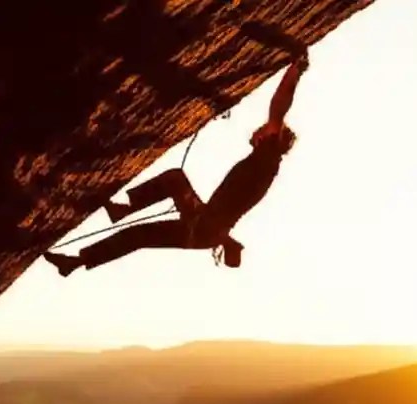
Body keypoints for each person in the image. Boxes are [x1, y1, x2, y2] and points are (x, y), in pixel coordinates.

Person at [43, 50, 309, 277]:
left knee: (139, 236)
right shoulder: (262, 165)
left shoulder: (266, 161)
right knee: (174, 179)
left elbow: (278, 107)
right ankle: (121, 211)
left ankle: (76, 262)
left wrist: (294, 71)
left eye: (264, 129)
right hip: (204, 220)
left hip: (202, 228)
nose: (258, 130)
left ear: (272, 138)